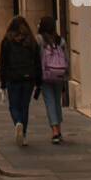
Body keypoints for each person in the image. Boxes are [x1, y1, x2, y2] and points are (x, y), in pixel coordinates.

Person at [0, 16, 42, 146]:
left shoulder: (7, 41)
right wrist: (38, 81)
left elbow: (3, 63)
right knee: (25, 106)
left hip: (13, 77)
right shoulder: (31, 41)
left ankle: (18, 122)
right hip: (28, 78)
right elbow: (37, 63)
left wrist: (2, 83)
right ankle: (23, 135)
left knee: (14, 105)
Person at [36, 15, 69, 143]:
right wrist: (66, 74)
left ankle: (55, 131)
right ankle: (59, 129)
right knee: (57, 102)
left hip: (46, 75)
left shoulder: (39, 40)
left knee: (50, 102)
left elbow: (37, 58)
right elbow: (66, 59)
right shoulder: (60, 40)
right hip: (59, 75)